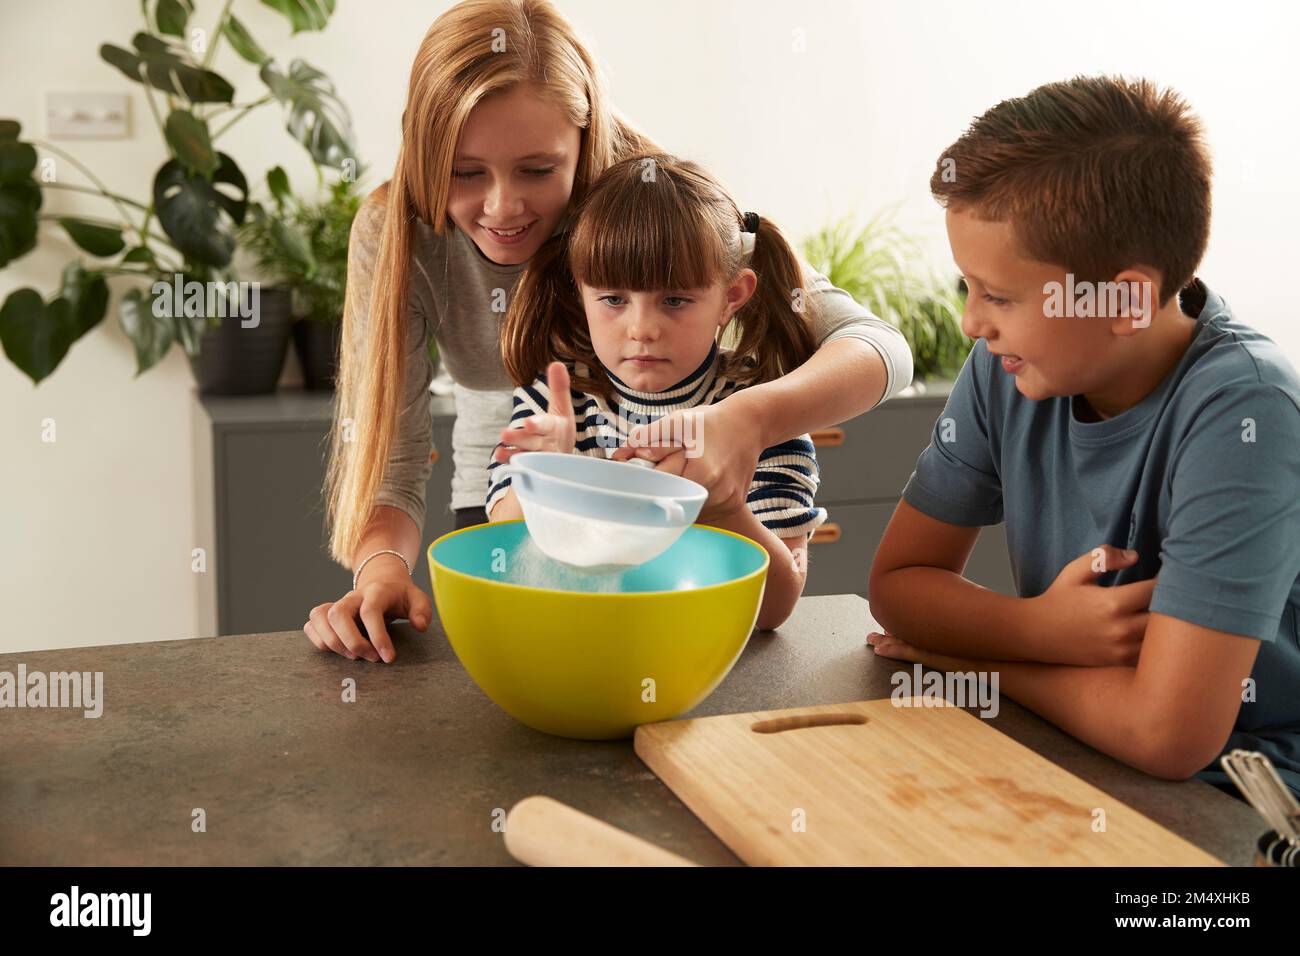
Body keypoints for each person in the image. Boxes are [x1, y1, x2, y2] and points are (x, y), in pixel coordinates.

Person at [307, 0, 913, 663]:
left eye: (537, 170)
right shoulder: (398, 236)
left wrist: (750, 421)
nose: (503, 206)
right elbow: (394, 459)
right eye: (464, 171)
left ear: (586, 138)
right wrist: (383, 571)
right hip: (509, 494)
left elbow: (884, 350)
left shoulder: (645, 201)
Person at [867, 76, 1300, 795]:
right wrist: (1043, 631)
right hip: (1081, 742)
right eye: (967, 287)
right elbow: (899, 585)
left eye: (999, 296)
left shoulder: (1245, 411)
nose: (972, 322)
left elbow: (1169, 736)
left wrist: (983, 666)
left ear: (1125, 300)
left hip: (1242, 790)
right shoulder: (1007, 365)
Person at [487, 154, 829, 629]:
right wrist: (548, 477)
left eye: (674, 301)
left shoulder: (765, 415)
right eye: (613, 300)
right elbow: (504, 558)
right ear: (579, 291)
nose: (642, 328)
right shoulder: (554, 401)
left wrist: (725, 507)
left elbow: (774, 609)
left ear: (732, 296)